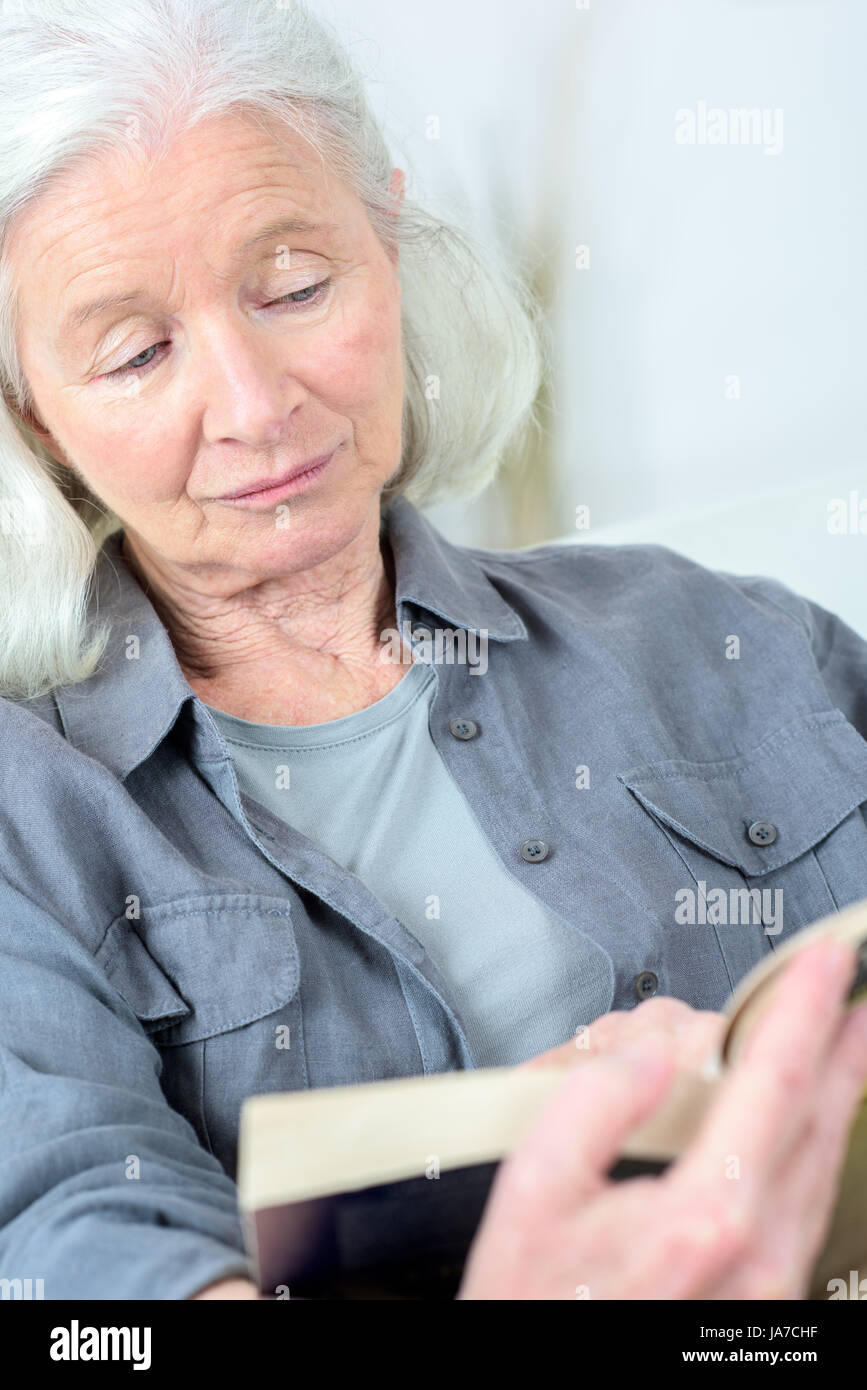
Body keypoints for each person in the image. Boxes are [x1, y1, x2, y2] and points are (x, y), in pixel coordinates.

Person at [1, 0, 866, 1300]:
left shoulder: (727, 635)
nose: (252, 403)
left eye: (294, 283)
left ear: (389, 243)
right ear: (39, 418)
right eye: (136, 354)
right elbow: (75, 1242)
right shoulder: (28, 814)